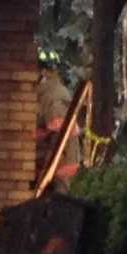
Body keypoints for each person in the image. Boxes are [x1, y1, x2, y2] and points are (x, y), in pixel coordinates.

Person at [35, 49, 81, 193]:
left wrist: (48, 169)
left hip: (58, 168)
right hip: (56, 166)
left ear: (42, 72)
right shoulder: (48, 93)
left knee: (57, 209)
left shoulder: (53, 97)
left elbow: (59, 136)